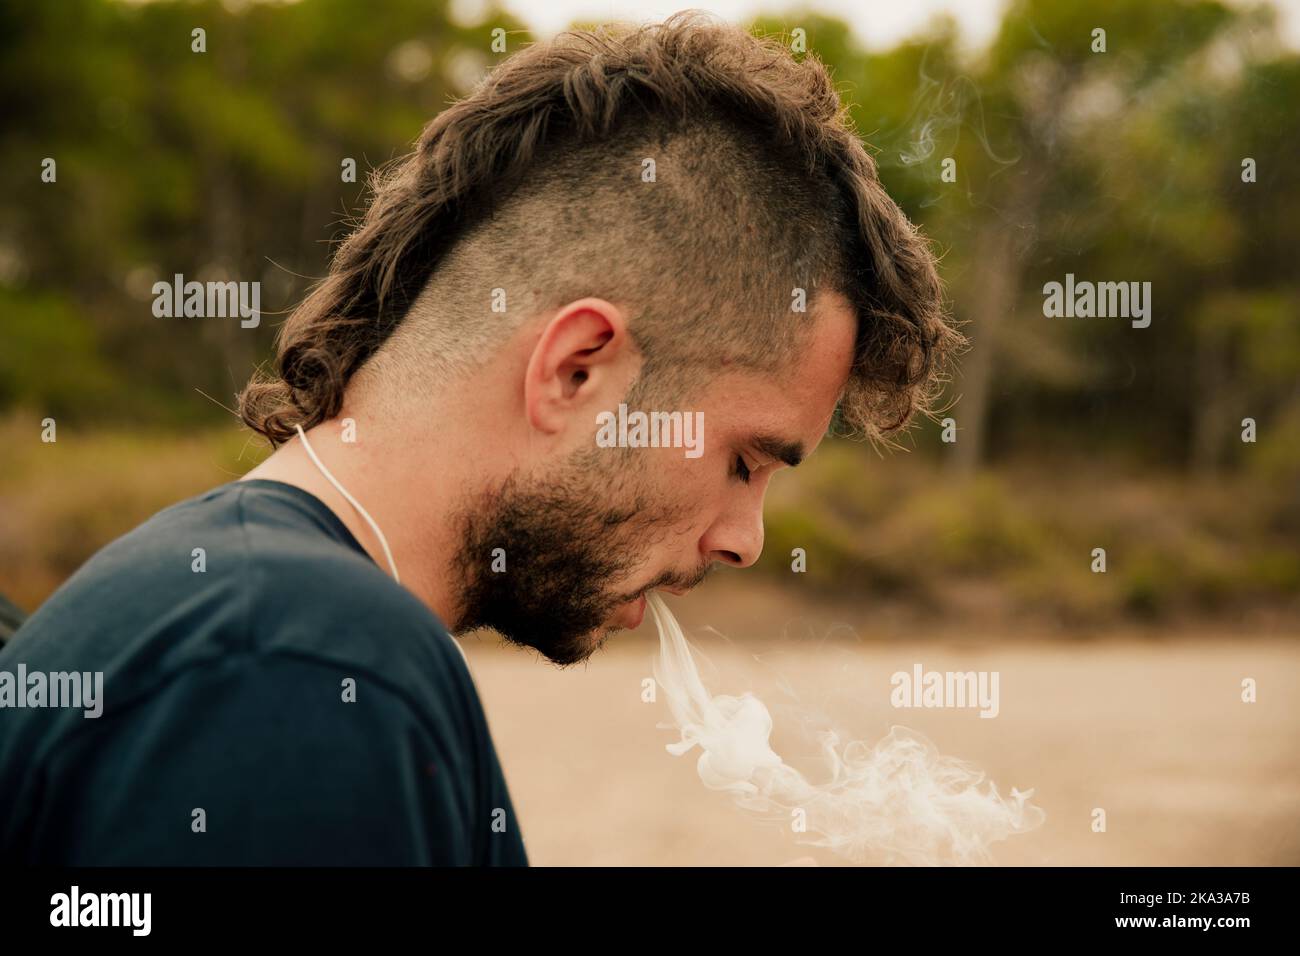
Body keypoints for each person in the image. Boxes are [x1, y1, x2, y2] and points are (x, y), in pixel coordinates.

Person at [0, 13, 958, 866]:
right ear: (577, 370)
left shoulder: (239, 610)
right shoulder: (299, 668)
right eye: (745, 460)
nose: (743, 538)